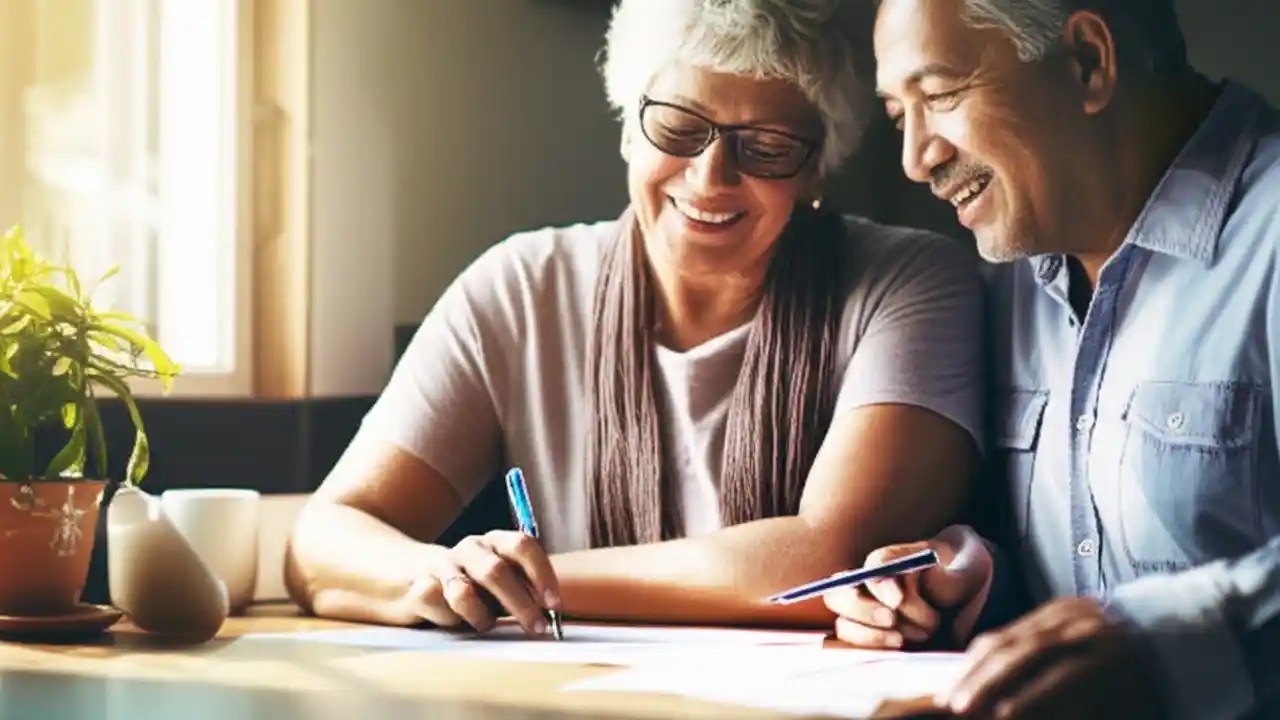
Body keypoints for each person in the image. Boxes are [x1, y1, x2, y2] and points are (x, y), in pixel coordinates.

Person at [284, 0, 985, 637]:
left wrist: (530, 582)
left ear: (816, 172)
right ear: (627, 128)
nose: (711, 177)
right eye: (679, 127)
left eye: (766, 147)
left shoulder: (912, 282)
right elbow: (323, 541)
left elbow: (829, 558)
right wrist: (435, 576)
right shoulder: (521, 288)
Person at [827, 0, 1280, 718]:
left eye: (940, 95)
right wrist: (964, 584)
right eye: (897, 115)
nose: (917, 159)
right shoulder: (1014, 273)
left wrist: (1165, 646)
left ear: (1087, 64)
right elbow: (1075, 597)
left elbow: (1128, 640)